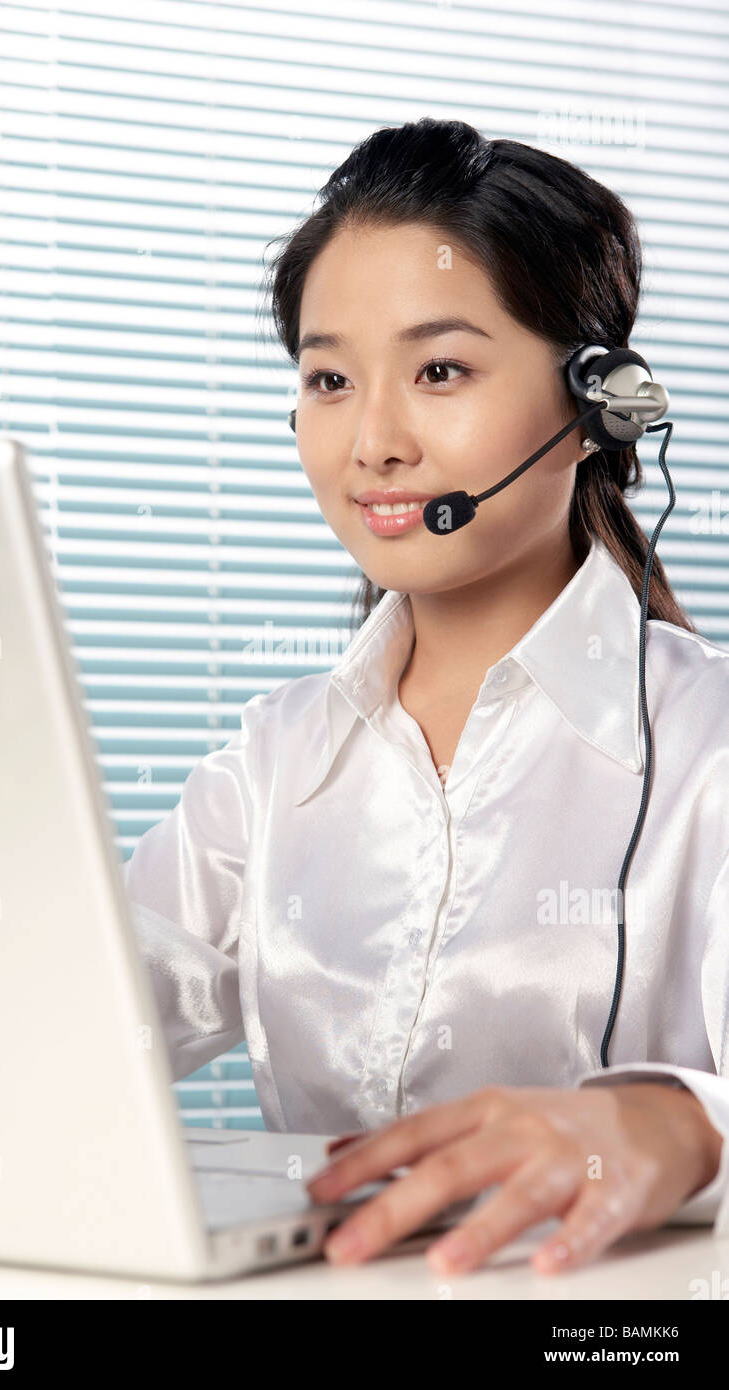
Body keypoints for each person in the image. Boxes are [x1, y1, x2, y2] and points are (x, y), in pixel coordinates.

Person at [124, 118, 729, 1278]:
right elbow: (63, 1022)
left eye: (439, 369)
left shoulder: (706, 745)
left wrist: (674, 1123)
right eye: (329, 379)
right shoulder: (269, 765)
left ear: (598, 403)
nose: (374, 442)